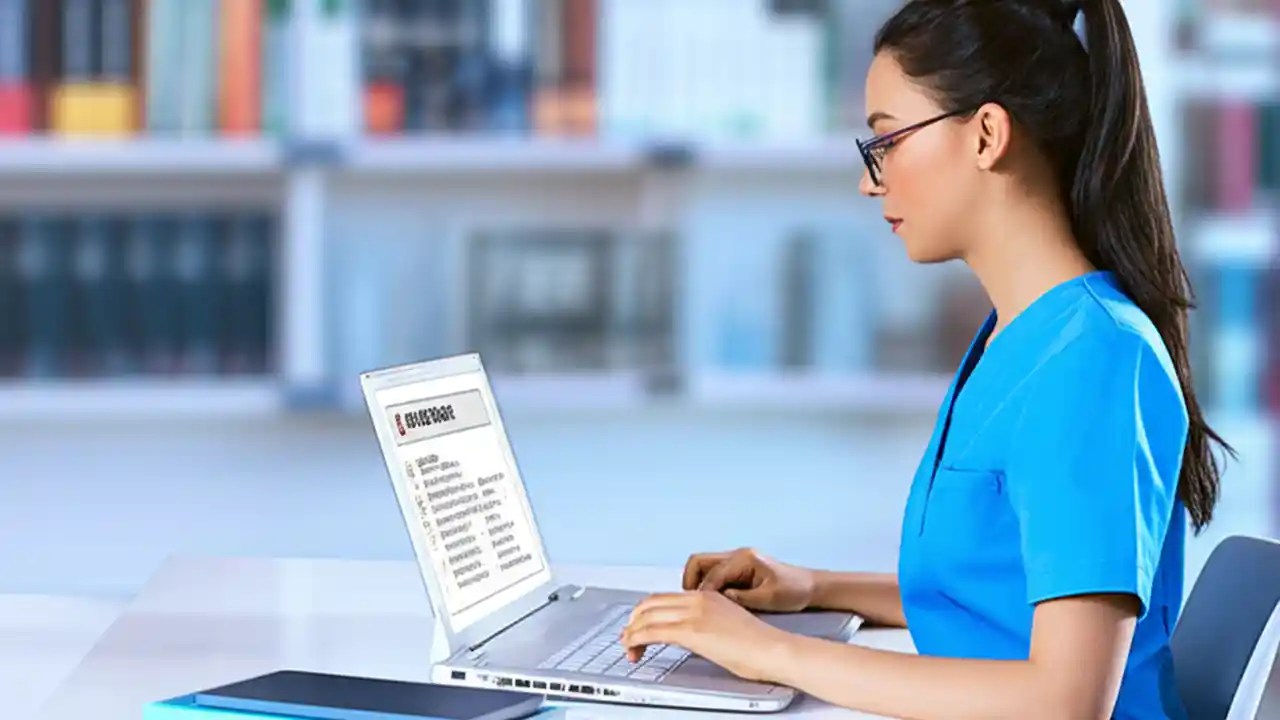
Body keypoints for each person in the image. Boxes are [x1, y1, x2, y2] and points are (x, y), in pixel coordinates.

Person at [618, 1, 1235, 718]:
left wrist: (768, 652)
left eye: (889, 140)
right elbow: (1003, 595)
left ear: (986, 135)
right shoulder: (1022, 335)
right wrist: (812, 587)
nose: (870, 180)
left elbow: (1064, 700)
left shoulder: (1094, 359)